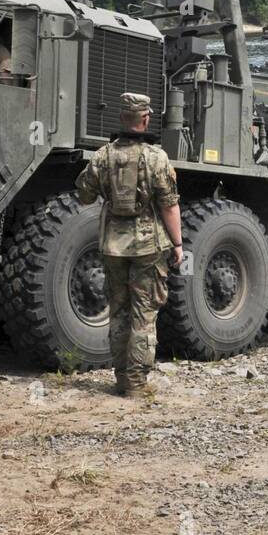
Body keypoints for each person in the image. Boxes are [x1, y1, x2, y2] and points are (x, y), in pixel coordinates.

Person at [75, 93, 183, 397]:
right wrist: (177, 243)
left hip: (112, 246)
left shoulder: (103, 156)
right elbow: (170, 205)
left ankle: (121, 379)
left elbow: (83, 195)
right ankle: (136, 384)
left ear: (122, 119)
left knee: (119, 311)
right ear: (145, 119)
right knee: (144, 314)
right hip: (148, 248)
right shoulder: (157, 157)